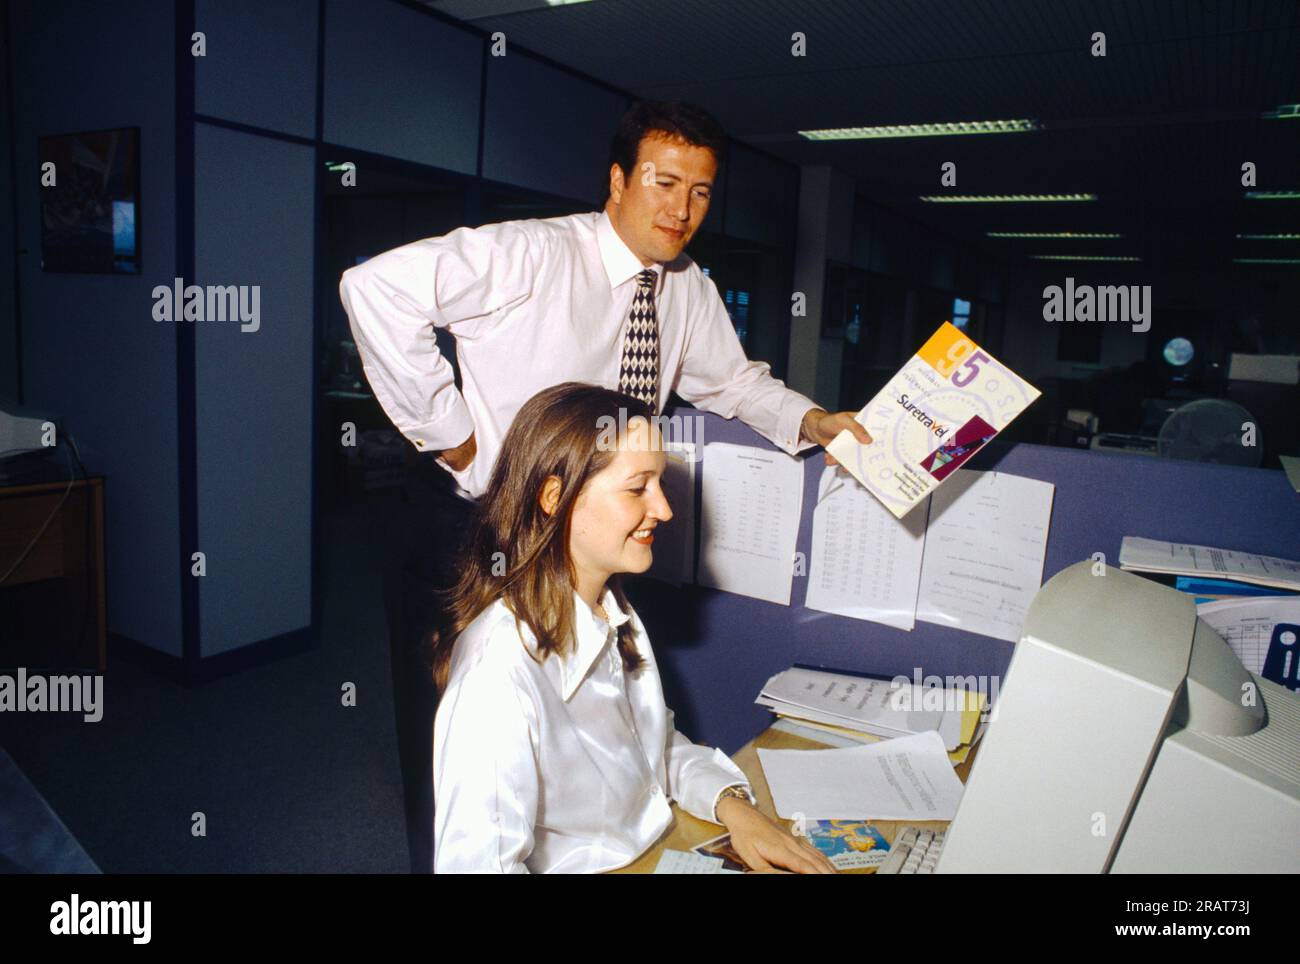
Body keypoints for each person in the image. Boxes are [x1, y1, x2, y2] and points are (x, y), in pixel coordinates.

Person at [338, 99, 871, 872]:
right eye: (663, 182)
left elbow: (736, 383)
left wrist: (815, 419)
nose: (682, 208)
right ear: (617, 180)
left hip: (585, 526)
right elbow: (374, 289)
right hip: (473, 521)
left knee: (593, 720)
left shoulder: (686, 288)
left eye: (701, 190)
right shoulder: (532, 253)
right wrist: (451, 436)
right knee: (464, 745)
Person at [431, 382, 838, 873]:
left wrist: (736, 808)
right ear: (556, 498)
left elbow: (654, 749)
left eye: (660, 483)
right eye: (637, 487)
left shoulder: (610, 608)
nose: (664, 509)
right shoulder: (496, 673)